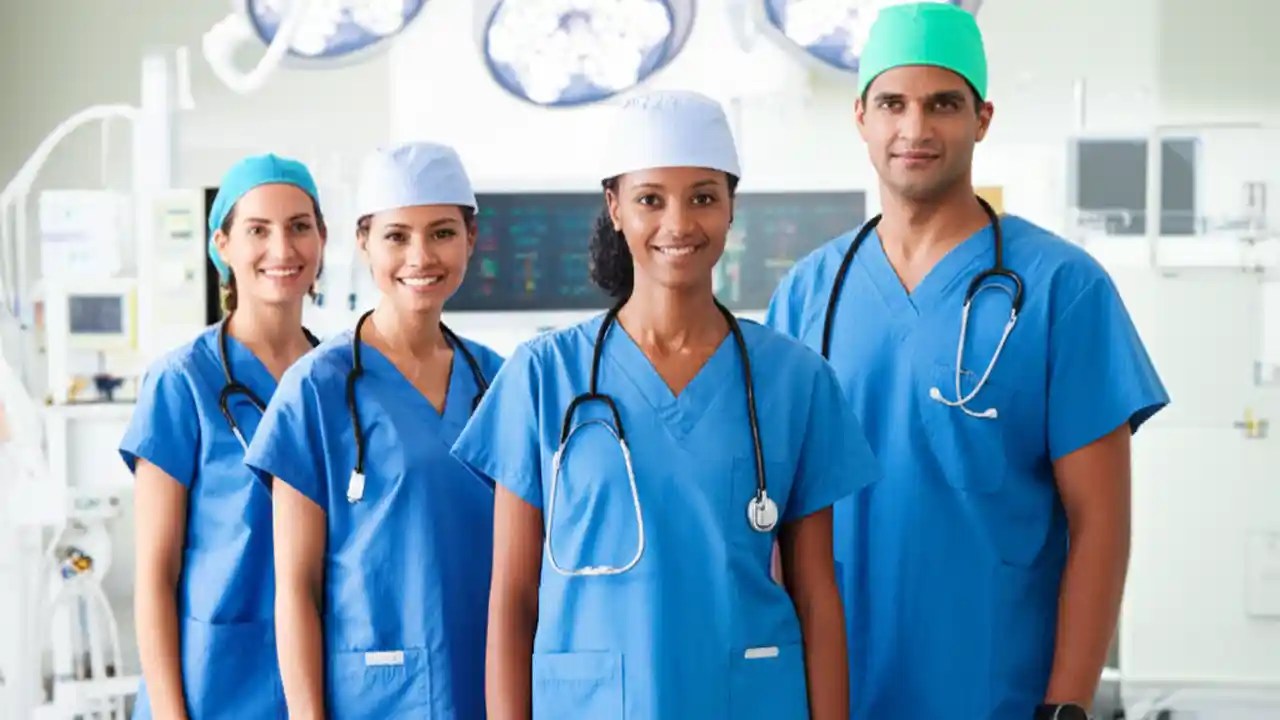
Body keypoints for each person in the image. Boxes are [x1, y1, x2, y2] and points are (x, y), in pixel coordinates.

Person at [765, 4, 1171, 719]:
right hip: (833, 695)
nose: (915, 128)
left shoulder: (1062, 289)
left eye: (943, 104)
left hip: (997, 692)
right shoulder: (808, 294)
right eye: (893, 103)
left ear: (982, 118)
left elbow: (1100, 524)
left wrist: (1067, 705)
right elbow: (779, 518)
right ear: (861, 117)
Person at [450, 90, 880, 720]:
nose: (679, 224)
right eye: (651, 199)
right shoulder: (542, 377)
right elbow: (514, 599)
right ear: (615, 207)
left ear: (731, 208)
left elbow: (816, 596)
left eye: (703, 198)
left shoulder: (794, 380)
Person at [243, 141, 504, 719]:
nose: (420, 256)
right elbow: (295, 589)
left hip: (487, 685)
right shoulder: (316, 389)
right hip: (372, 698)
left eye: (442, 233)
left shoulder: (498, 380)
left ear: (471, 238)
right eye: (396, 236)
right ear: (363, 242)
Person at [120, 154, 326, 719]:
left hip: (319, 682)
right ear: (223, 245)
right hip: (210, 686)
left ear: (322, 240)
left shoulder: (340, 379)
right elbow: (155, 574)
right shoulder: (183, 381)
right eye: (258, 229)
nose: (282, 249)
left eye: (299, 226)